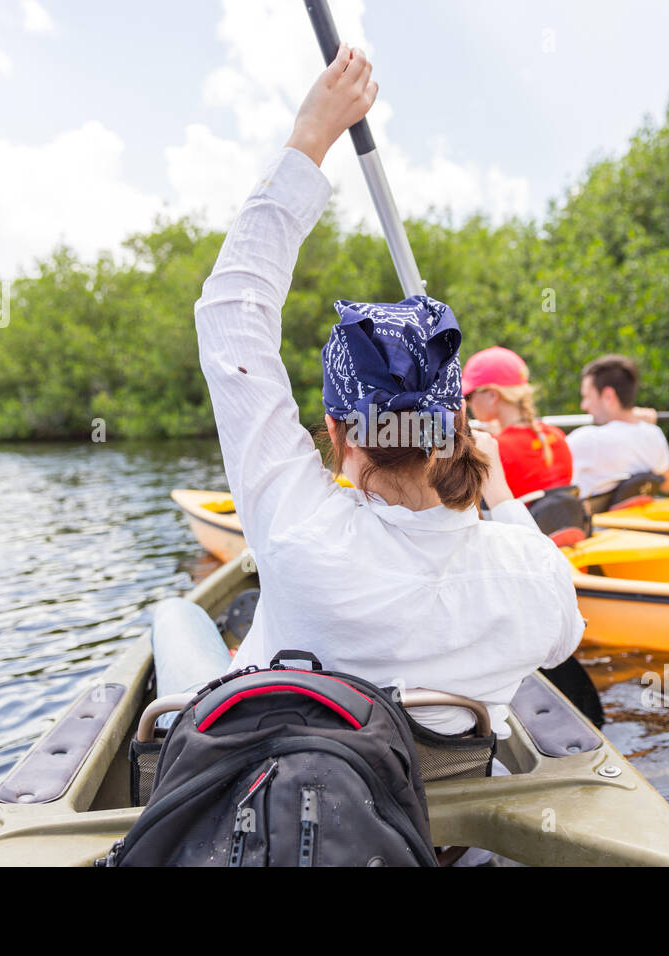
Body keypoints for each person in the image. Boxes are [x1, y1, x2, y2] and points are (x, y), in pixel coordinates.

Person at [152, 42, 584, 742]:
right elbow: (562, 643)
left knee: (175, 617)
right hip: (429, 802)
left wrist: (310, 138)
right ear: (455, 426)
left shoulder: (295, 527)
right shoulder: (534, 574)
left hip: (282, 766)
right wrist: (499, 499)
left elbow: (231, 313)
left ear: (336, 429)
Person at [462, 346, 573, 498]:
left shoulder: (494, 449)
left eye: (469, 396)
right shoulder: (558, 436)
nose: (468, 404)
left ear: (492, 396)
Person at [566, 353, 669, 498]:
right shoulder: (652, 434)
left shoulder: (584, 439)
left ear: (608, 396)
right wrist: (647, 427)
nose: (584, 405)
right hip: (628, 517)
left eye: (587, 397)